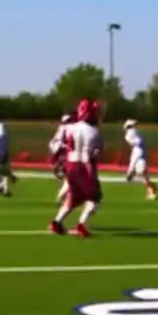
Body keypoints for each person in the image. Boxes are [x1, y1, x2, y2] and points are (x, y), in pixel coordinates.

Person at [50, 98, 103, 238]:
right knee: (95, 198)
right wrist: (92, 173)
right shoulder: (94, 132)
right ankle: (82, 224)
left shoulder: (70, 127)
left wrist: (58, 161)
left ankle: (57, 222)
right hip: (84, 165)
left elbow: (58, 144)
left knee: (73, 198)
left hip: (70, 164)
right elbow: (93, 154)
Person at [123, 119, 158, 200]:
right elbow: (136, 153)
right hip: (139, 155)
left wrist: (130, 169)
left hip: (140, 156)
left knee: (141, 172)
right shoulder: (130, 136)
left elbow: (138, 151)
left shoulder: (134, 135)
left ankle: (151, 190)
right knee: (140, 174)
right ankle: (152, 188)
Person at [51, 113, 71, 201]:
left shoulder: (63, 129)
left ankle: (64, 195)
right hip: (64, 155)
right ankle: (62, 195)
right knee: (70, 178)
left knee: (69, 178)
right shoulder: (64, 129)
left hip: (63, 154)